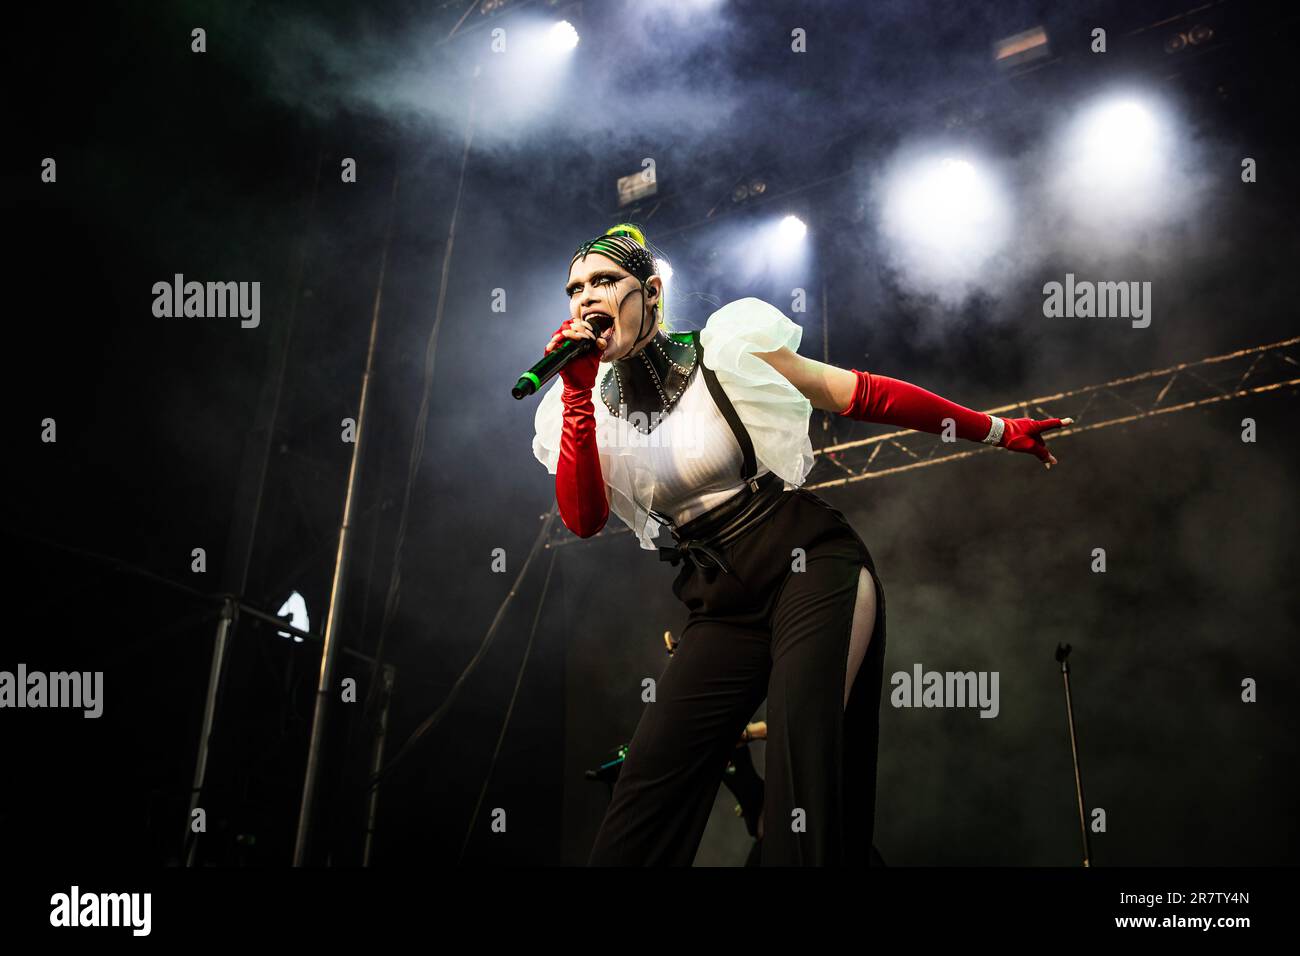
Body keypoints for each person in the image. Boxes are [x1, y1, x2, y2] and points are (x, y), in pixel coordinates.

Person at [532, 223, 1071, 866]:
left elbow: (861, 393)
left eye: (603, 281)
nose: (585, 298)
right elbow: (585, 519)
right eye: (574, 289)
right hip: (718, 600)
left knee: (800, 782)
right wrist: (575, 394)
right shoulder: (582, 402)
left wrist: (998, 430)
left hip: (805, 562)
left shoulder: (723, 350)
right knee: (645, 793)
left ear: (650, 292)